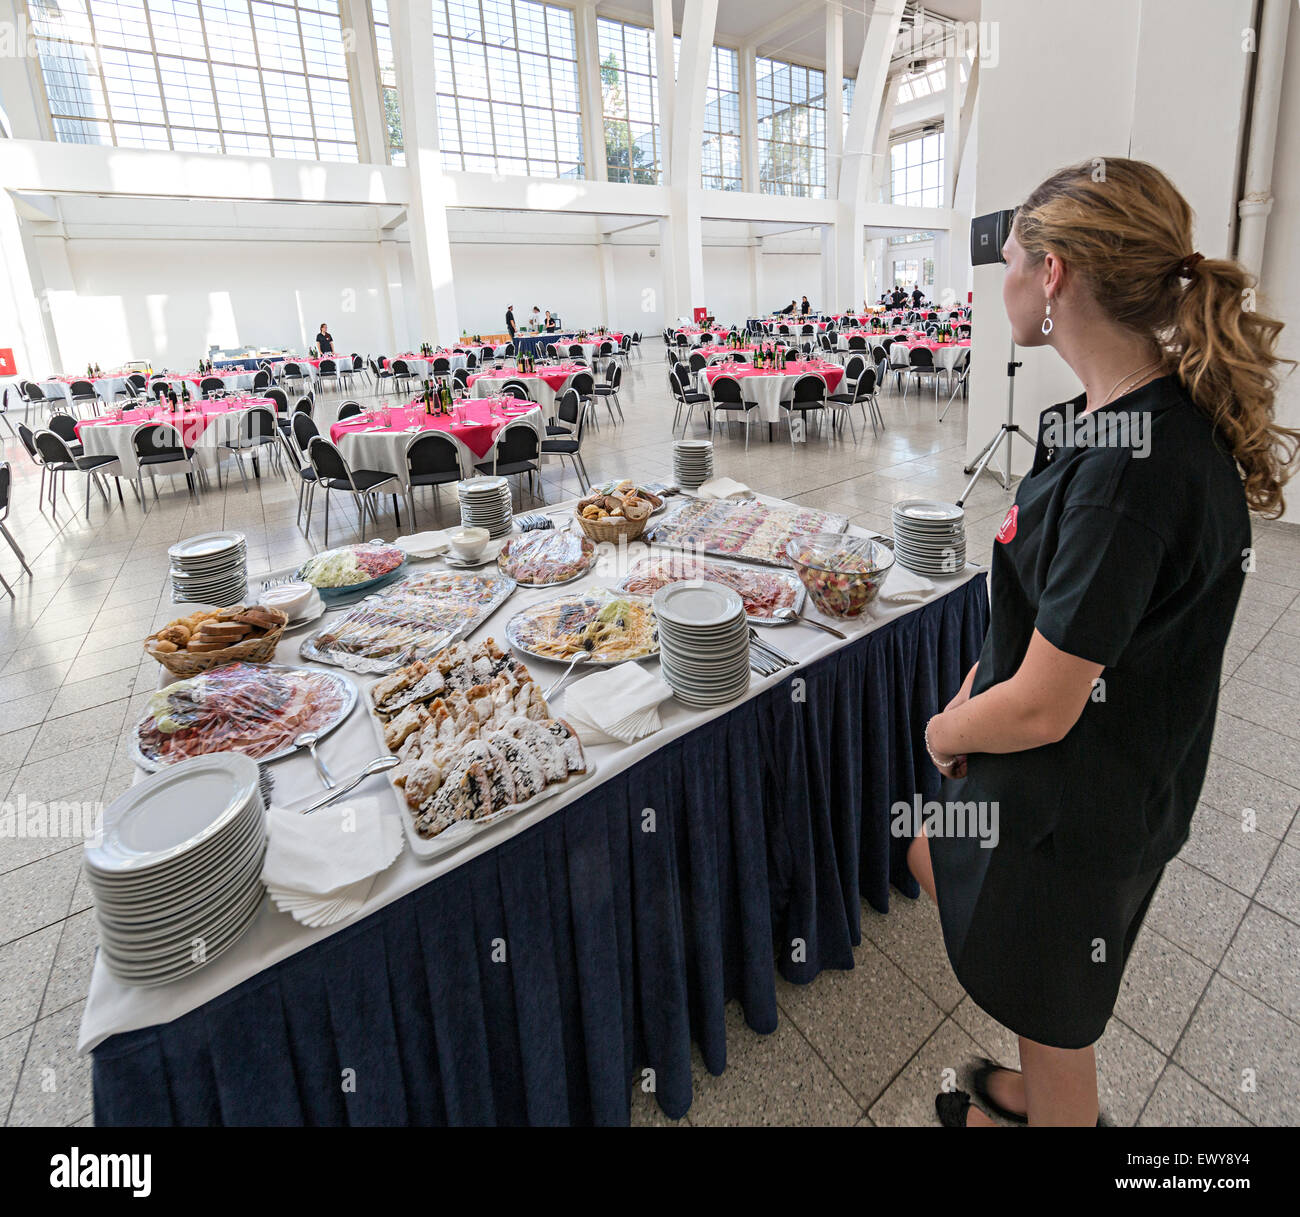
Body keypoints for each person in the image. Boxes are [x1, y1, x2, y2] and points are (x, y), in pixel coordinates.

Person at [909, 158, 1296, 1128]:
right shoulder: (1099, 422)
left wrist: (942, 729)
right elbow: (1041, 617)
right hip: (1070, 772)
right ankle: (1028, 1088)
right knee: (929, 851)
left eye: (1007, 261)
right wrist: (969, 695)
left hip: (1071, 803)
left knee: (1055, 1012)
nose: (994, 281)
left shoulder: (1132, 471)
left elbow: (1044, 703)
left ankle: (1051, 1105)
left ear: (1052, 275)